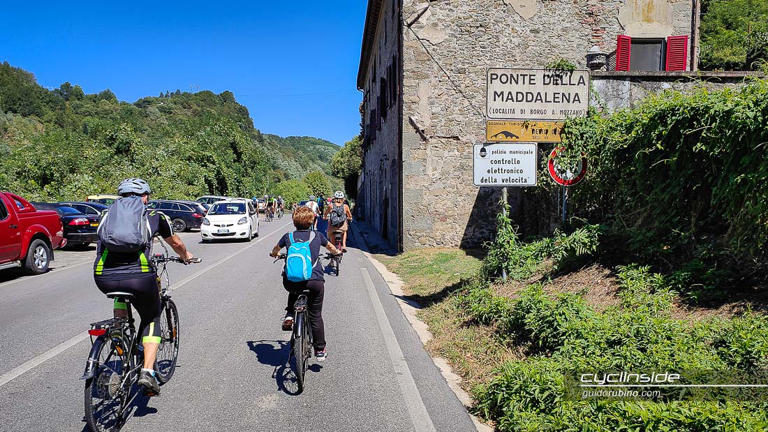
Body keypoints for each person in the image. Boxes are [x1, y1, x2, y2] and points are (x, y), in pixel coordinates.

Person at [93, 178, 195, 396]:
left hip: (103, 276)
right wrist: (186, 256)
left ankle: (119, 333)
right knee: (151, 317)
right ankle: (147, 372)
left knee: (120, 293)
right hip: (139, 276)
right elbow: (175, 243)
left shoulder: (106, 215)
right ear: (145, 196)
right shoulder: (154, 215)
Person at [270, 207, 341, 361]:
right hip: (314, 281)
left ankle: (290, 314)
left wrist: (274, 254)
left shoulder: (287, 236)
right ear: (312, 221)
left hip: (292, 282)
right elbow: (332, 248)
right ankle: (320, 350)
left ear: (294, 221)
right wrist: (337, 253)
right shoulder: (317, 235)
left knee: (293, 287)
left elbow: (275, 250)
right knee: (315, 316)